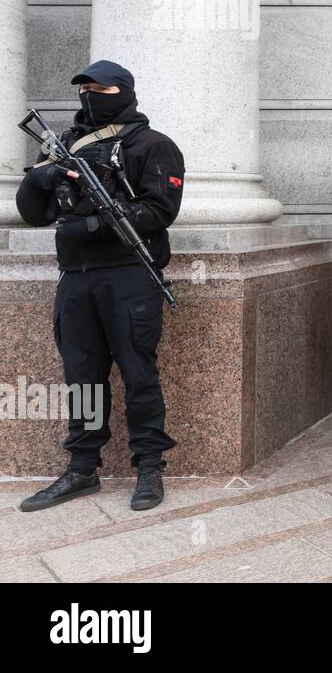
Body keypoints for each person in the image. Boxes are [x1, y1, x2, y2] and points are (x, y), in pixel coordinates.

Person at [15, 60, 184, 513]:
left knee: (138, 375)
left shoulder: (154, 146)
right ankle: (82, 468)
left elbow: (160, 210)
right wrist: (40, 177)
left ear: (123, 92)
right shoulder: (64, 146)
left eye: (100, 88)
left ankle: (149, 466)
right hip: (76, 282)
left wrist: (93, 224)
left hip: (130, 276)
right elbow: (33, 212)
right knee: (82, 379)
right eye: (84, 87)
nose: (89, 94)